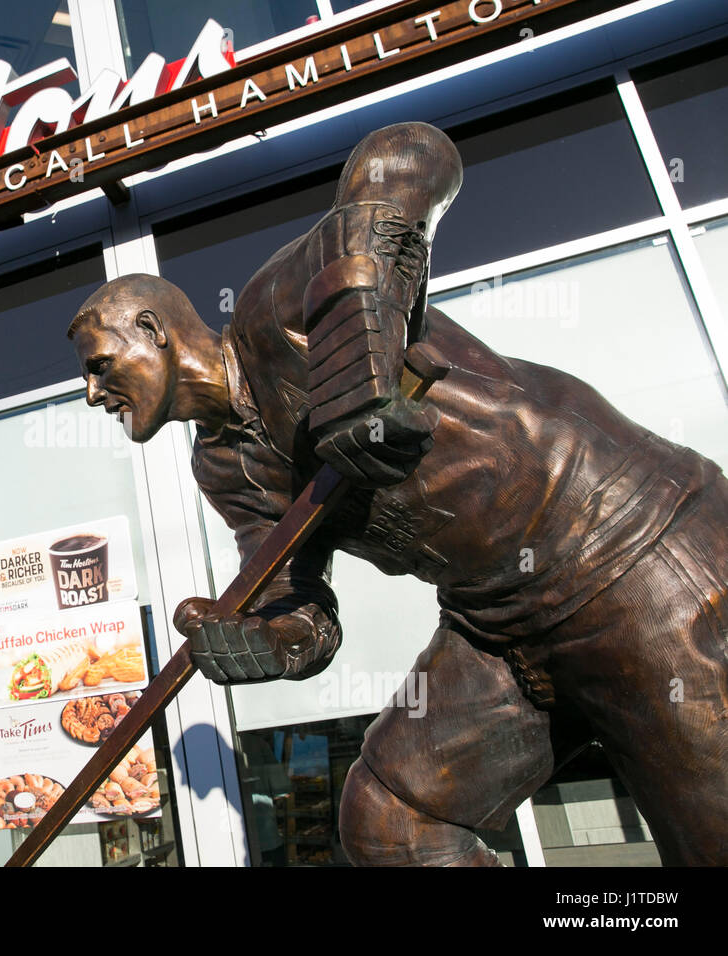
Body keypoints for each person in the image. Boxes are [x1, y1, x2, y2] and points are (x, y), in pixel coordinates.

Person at [67, 122, 728, 866]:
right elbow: (296, 600)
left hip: (631, 548)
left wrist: (361, 358)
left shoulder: (274, 310)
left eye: (99, 365)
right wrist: (268, 642)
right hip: (496, 624)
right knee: (394, 820)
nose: (92, 393)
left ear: (152, 329)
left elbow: (411, 153)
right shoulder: (223, 467)